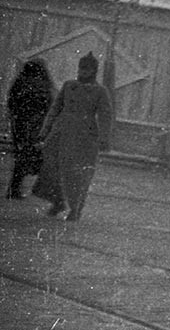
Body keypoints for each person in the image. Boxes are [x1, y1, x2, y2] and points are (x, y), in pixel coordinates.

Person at [36, 52, 113, 221]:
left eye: (87, 69)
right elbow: (55, 109)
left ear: (94, 71)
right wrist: (45, 131)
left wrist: (104, 139)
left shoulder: (100, 91)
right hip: (61, 133)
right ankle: (57, 201)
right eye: (81, 68)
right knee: (52, 168)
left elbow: (106, 116)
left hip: (84, 137)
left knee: (77, 174)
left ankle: (75, 209)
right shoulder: (69, 85)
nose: (83, 72)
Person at [6, 59, 54, 198]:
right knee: (34, 156)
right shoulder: (45, 85)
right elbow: (49, 104)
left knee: (21, 157)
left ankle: (15, 188)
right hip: (37, 125)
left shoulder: (21, 82)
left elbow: (12, 102)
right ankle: (38, 189)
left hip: (21, 125)